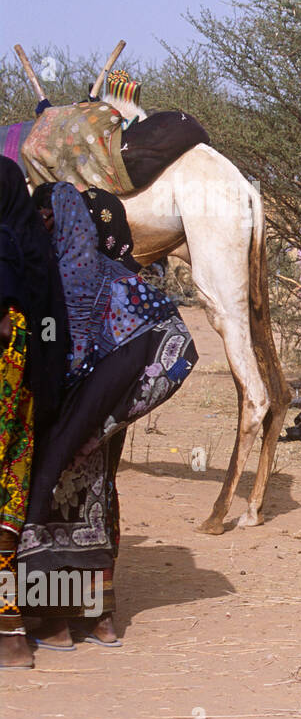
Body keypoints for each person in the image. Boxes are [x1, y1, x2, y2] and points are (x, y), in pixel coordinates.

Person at [16, 183, 197, 657]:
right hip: (97, 428)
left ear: (53, 221)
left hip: (54, 424)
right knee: (95, 508)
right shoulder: (123, 283)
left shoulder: (46, 279)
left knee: (52, 510)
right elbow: (175, 343)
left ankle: (54, 626)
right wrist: (111, 418)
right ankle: (101, 622)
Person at [0, 158, 69, 668]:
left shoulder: (3, 253)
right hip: (29, 411)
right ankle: (12, 634)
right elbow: (52, 337)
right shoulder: (38, 259)